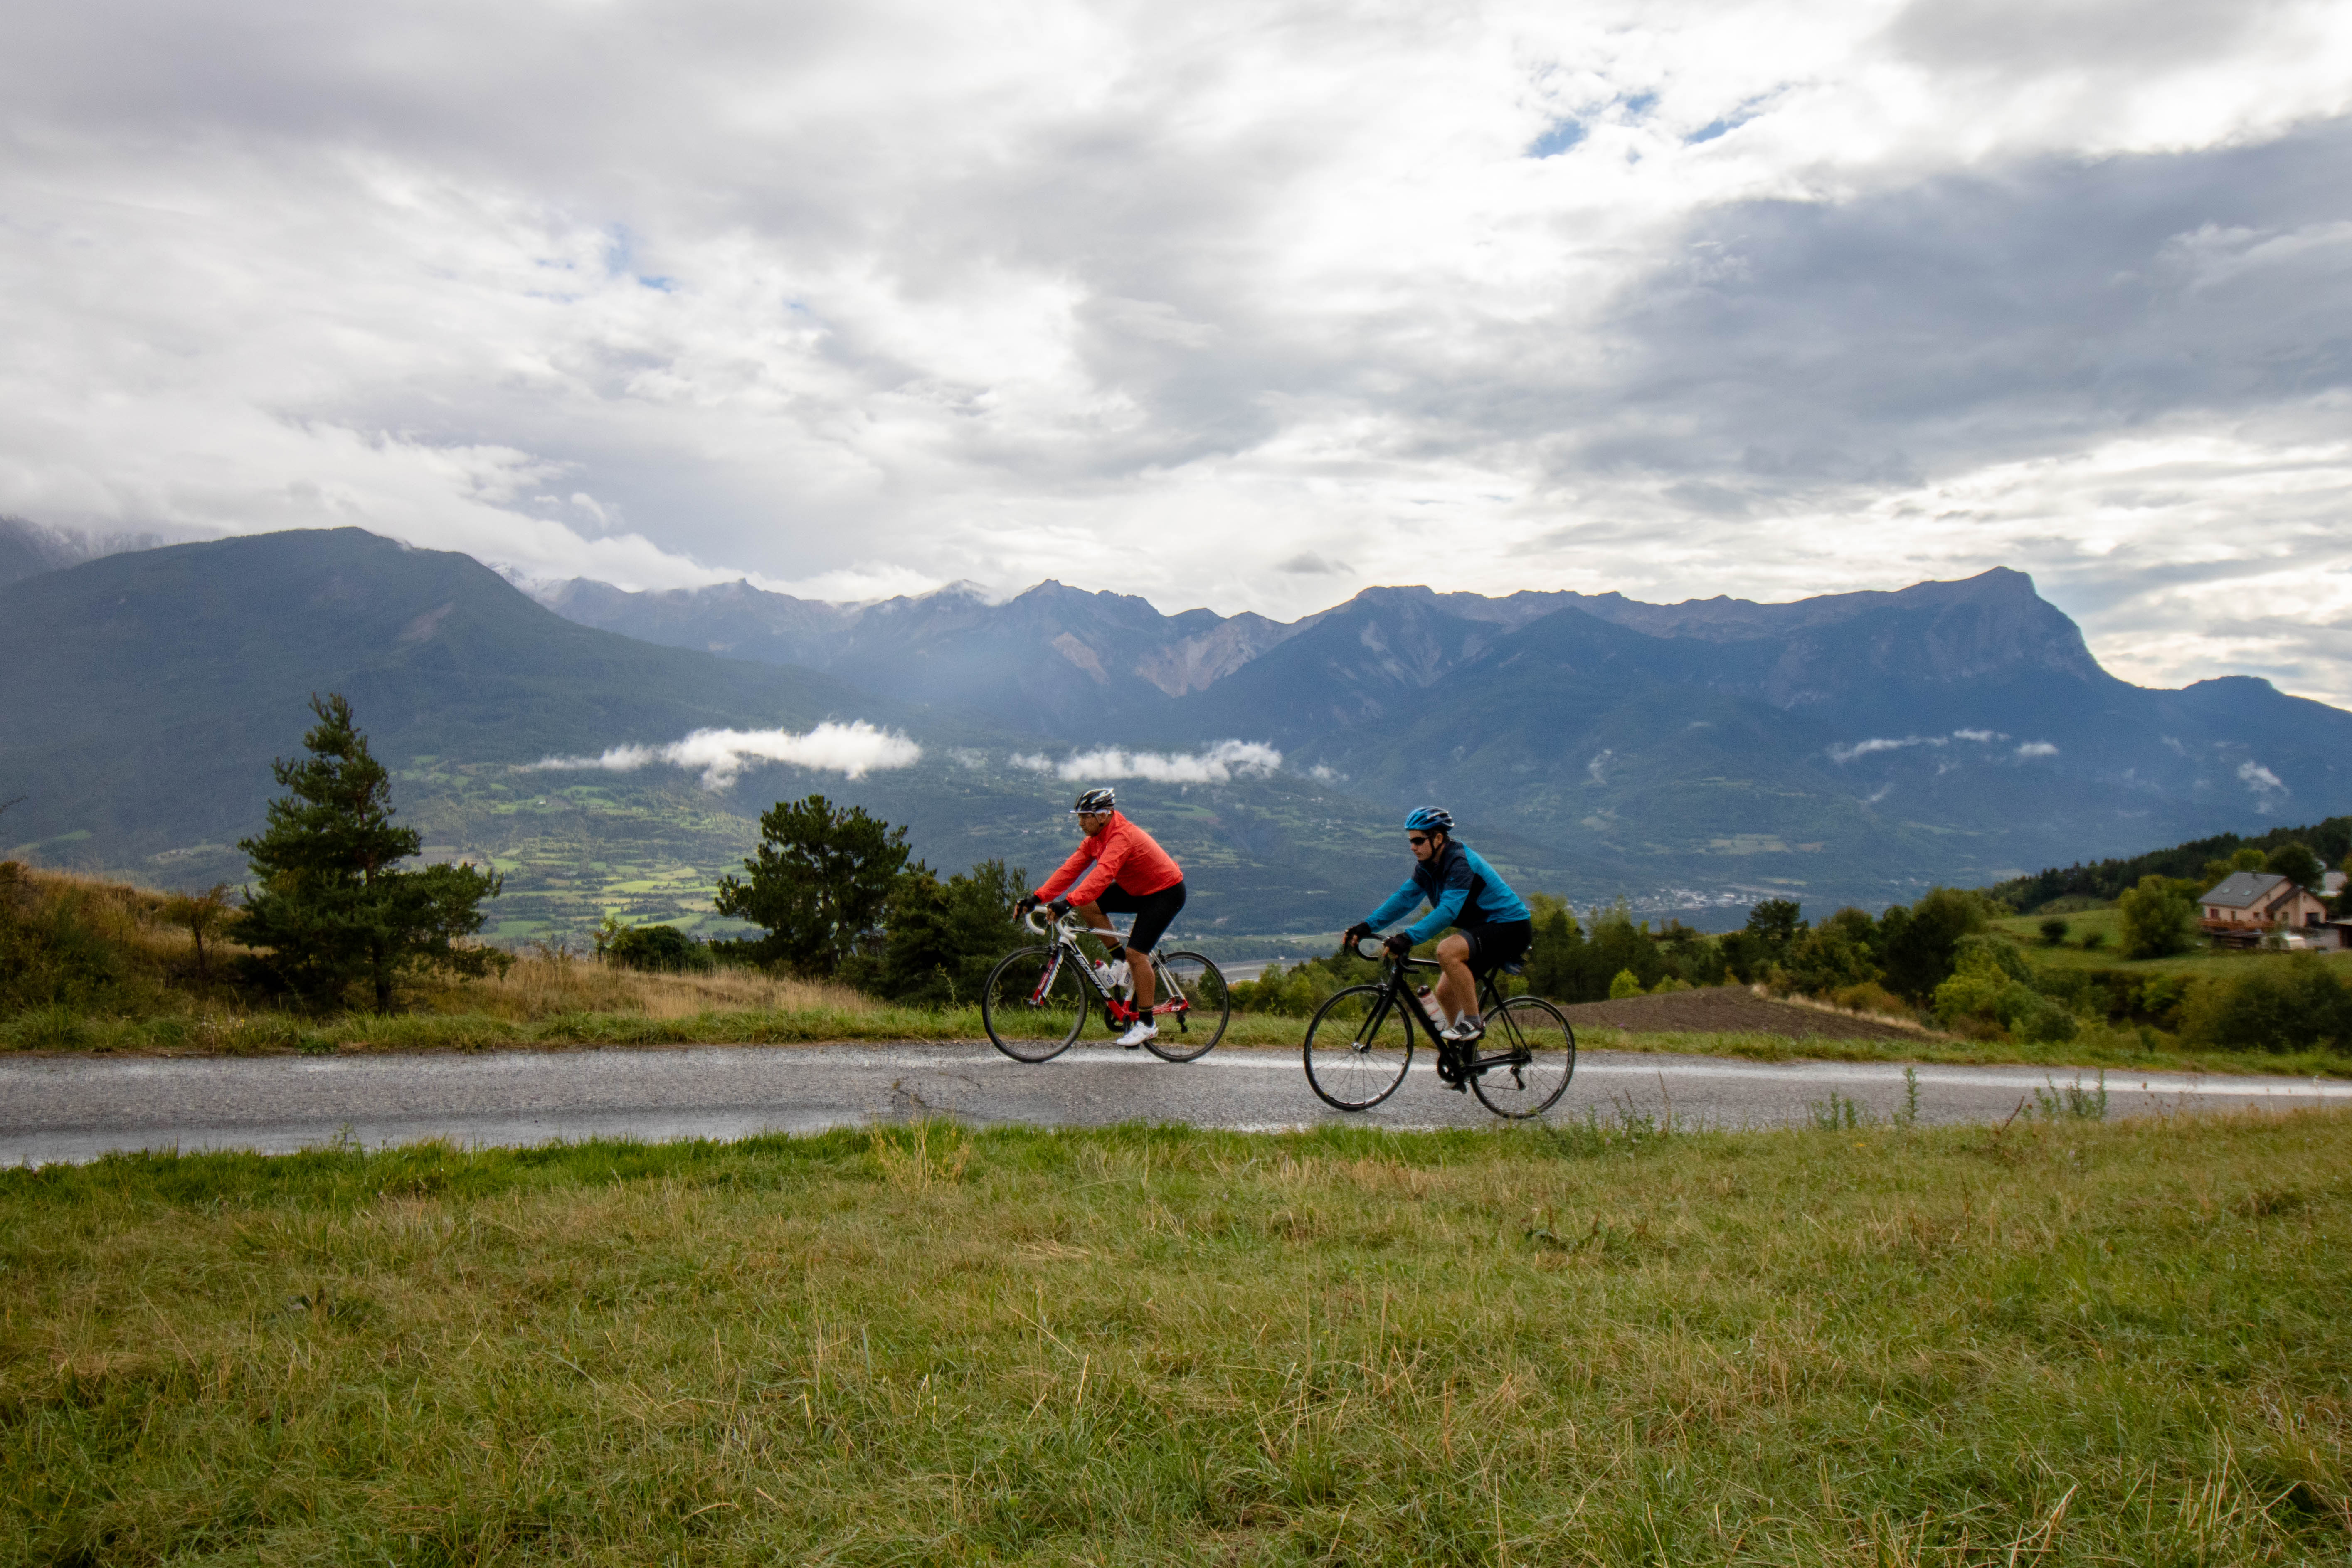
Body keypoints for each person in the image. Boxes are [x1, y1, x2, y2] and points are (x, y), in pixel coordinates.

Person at [1344, 806, 1531, 1061]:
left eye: (1419, 840)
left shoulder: (1459, 862)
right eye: (1411, 841)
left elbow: (1448, 911)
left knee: (1447, 950)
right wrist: (1367, 926)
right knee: (1445, 992)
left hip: (1511, 926)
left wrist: (1408, 937)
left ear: (1438, 838)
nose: (1413, 847)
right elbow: (1404, 899)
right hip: (1484, 927)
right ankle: (1466, 1058)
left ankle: (1474, 1023)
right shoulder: (1428, 866)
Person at [1018, 787, 1187, 1048]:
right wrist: (1037, 898)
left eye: (1084, 816)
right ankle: (1119, 959)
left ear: (1102, 815)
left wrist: (1068, 902)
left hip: (1165, 892)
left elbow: (1103, 874)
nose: (1080, 822)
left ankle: (1147, 1024)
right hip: (1138, 889)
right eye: (1079, 816)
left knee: (1137, 954)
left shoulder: (1121, 836)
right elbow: (1069, 870)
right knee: (1088, 904)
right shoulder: (1096, 838)